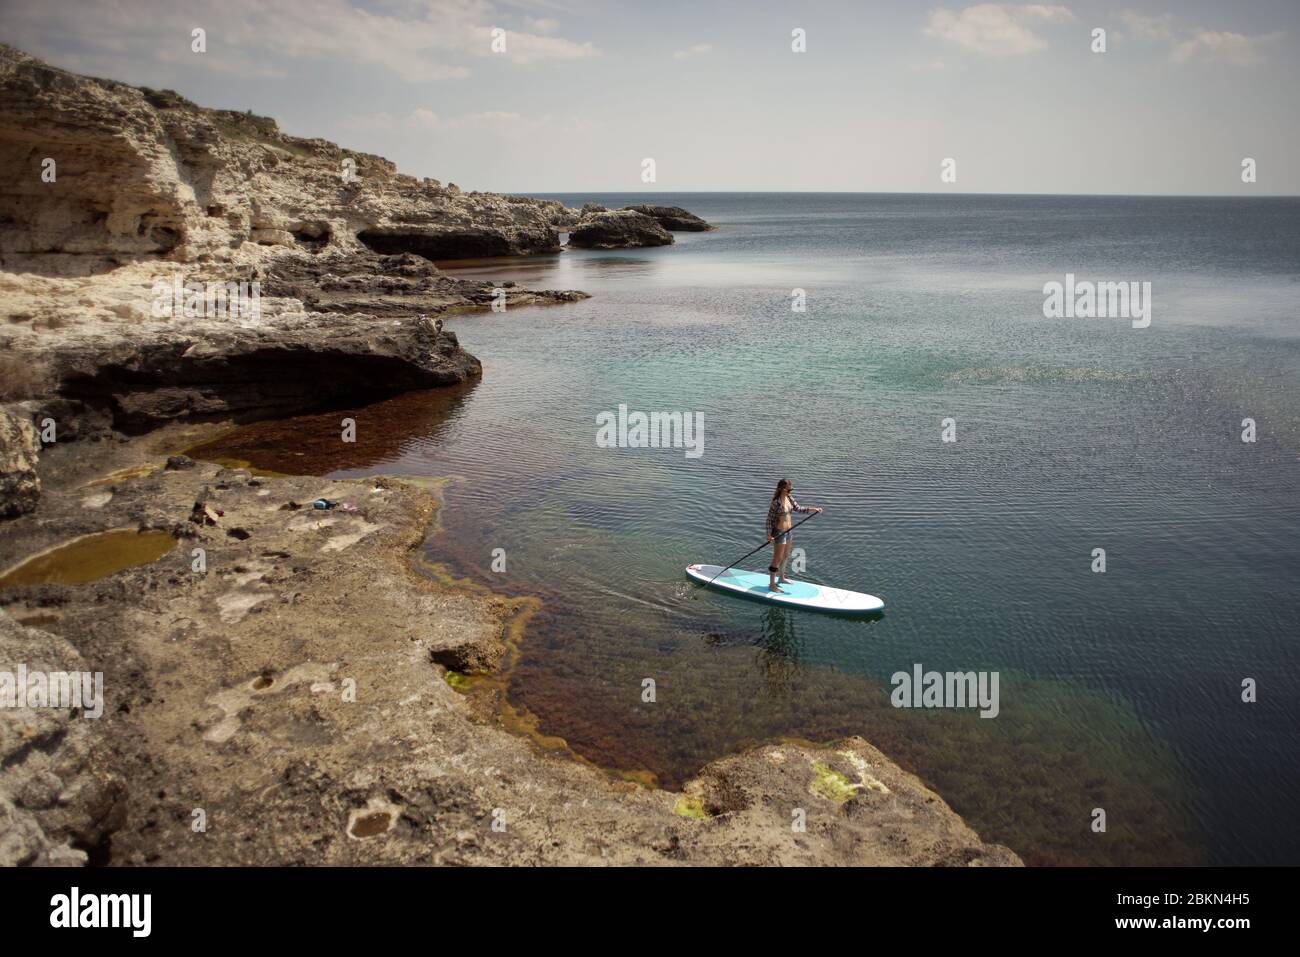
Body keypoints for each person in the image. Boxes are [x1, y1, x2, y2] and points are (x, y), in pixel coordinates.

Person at [765, 479, 822, 592]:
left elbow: (799, 509)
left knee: (786, 556)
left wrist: (813, 509)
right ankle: (772, 585)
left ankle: (781, 578)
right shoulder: (776, 502)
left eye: (791, 489)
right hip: (779, 532)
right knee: (777, 558)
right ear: (782, 489)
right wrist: (769, 535)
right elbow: (769, 520)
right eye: (789, 489)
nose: (791, 491)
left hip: (789, 531)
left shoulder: (789, 498)